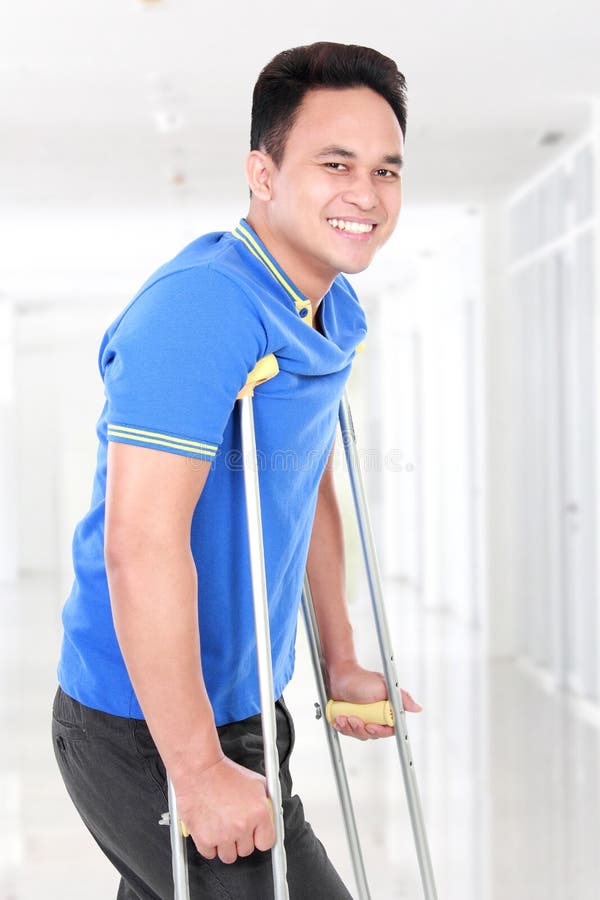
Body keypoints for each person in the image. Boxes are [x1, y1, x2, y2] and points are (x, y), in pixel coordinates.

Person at [52, 41, 422, 899]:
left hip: (246, 704)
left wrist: (339, 654)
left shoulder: (331, 304)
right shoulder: (202, 307)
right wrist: (197, 768)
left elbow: (301, 476)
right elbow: (138, 547)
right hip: (146, 725)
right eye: (335, 163)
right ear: (263, 171)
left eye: (386, 169)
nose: (365, 194)